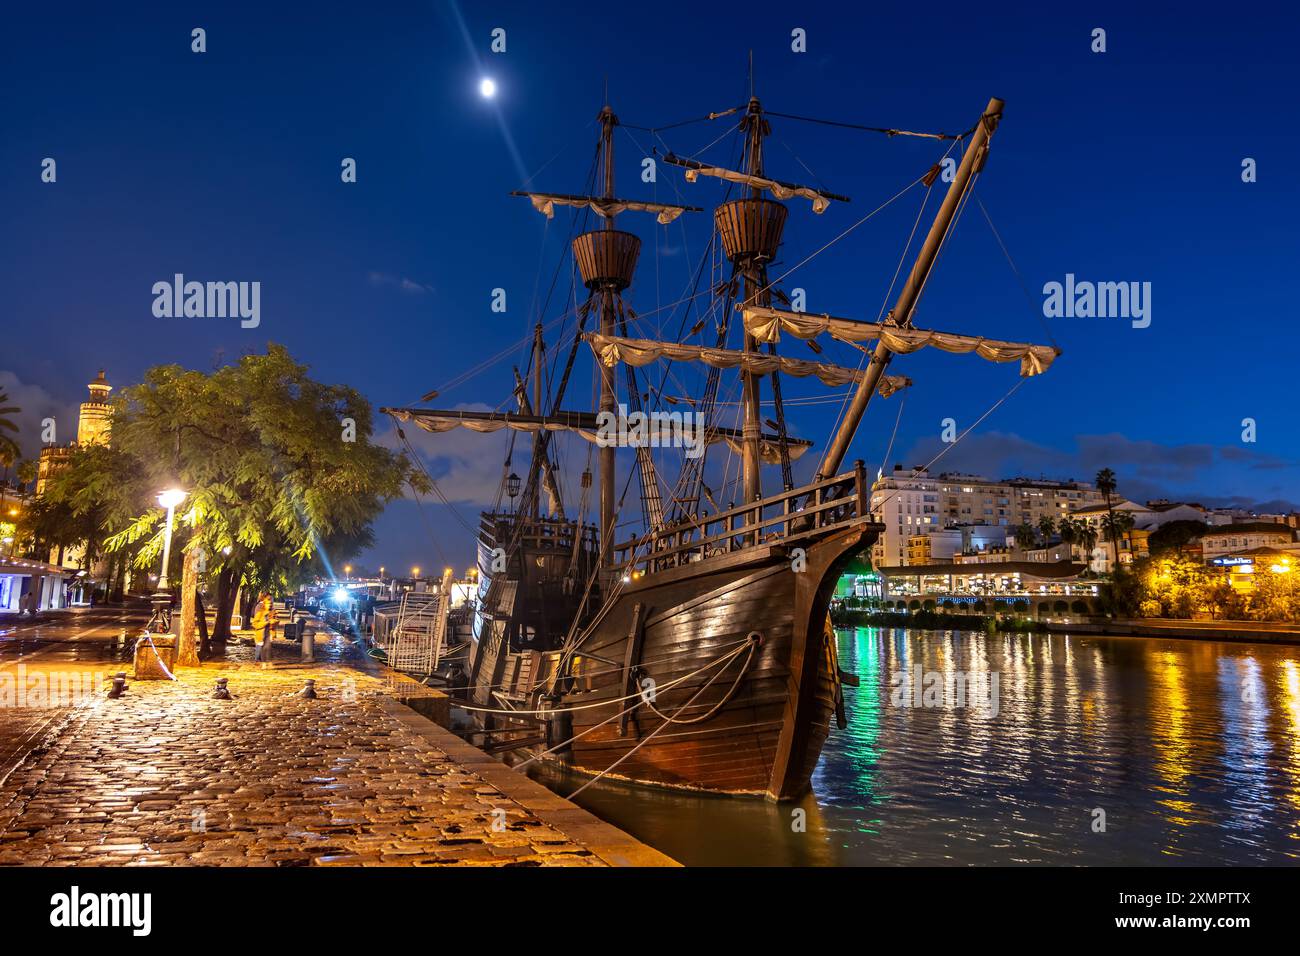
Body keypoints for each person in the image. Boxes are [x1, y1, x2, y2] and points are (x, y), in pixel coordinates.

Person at [250, 593, 275, 662]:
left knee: (266, 647)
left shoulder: (271, 609)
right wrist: (265, 623)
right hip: (260, 631)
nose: (270, 600)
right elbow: (255, 622)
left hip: (267, 632)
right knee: (260, 645)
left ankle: (264, 660)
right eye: (269, 598)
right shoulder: (259, 607)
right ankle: (258, 660)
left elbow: (275, 619)